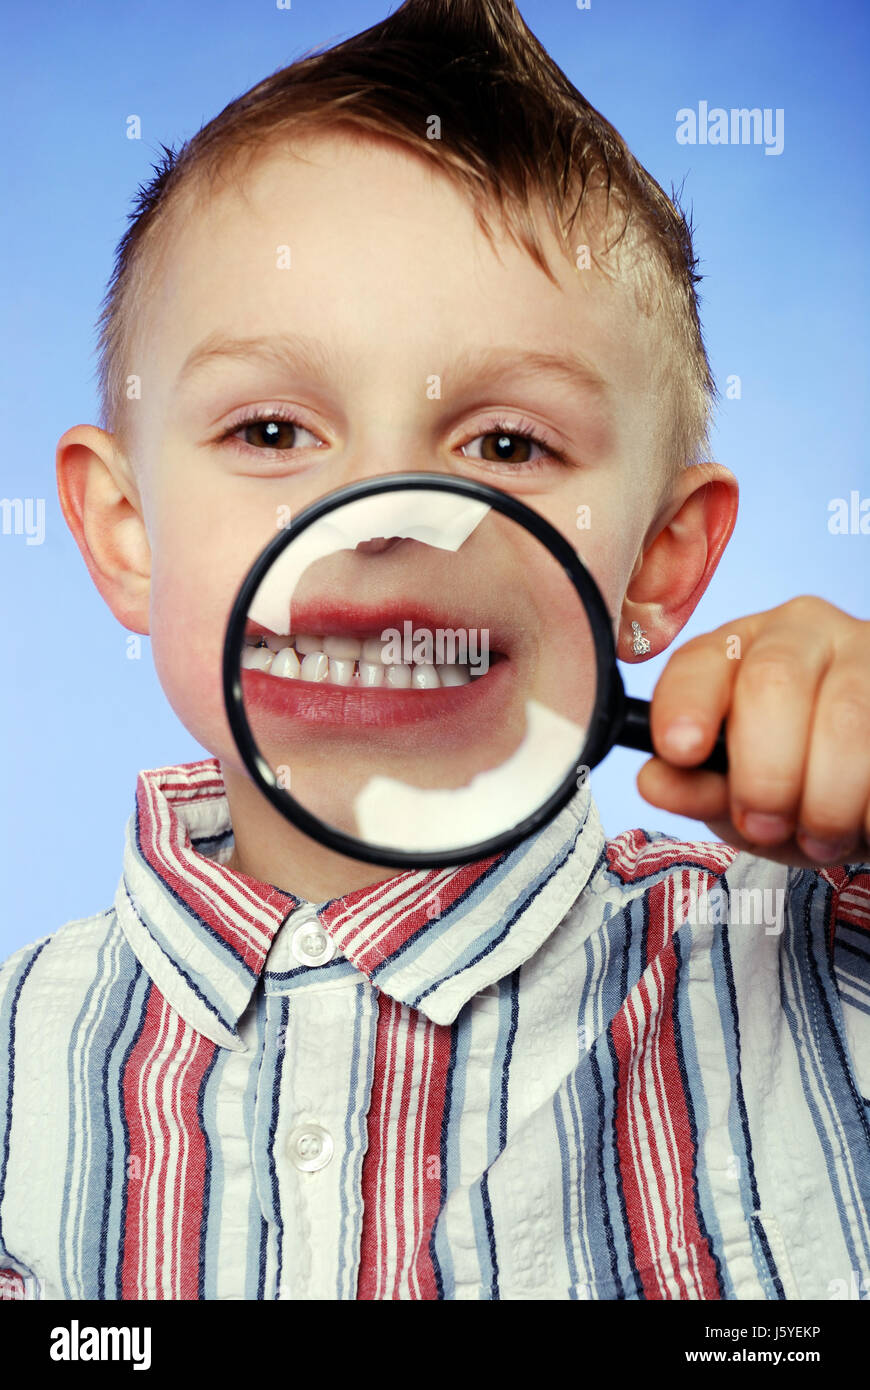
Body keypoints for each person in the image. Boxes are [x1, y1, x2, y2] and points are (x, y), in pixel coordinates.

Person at [1, 0, 867, 1301]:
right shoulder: (18, 1063)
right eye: (273, 430)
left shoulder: (811, 969)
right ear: (127, 536)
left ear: (656, 565)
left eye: (506, 445)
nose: (392, 518)